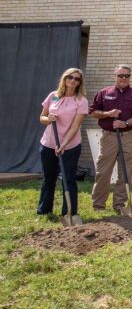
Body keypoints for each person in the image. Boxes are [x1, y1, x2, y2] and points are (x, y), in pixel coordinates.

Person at [90, 65, 132, 212]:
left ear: (130, 77)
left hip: (129, 137)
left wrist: (125, 123)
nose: (123, 78)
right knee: (103, 171)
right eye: (120, 75)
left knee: (125, 172)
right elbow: (94, 112)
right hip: (109, 137)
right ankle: (98, 205)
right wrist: (108, 114)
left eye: (127, 76)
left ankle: (119, 205)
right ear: (114, 76)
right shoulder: (104, 93)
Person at [37, 68, 89, 217]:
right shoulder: (53, 96)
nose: (73, 80)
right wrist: (48, 119)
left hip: (70, 146)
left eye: (77, 79)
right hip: (48, 143)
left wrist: (64, 144)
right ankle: (44, 211)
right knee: (48, 179)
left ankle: (69, 213)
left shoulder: (81, 101)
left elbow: (75, 126)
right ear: (64, 78)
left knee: (69, 179)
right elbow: (42, 118)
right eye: (70, 77)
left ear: (79, 83)